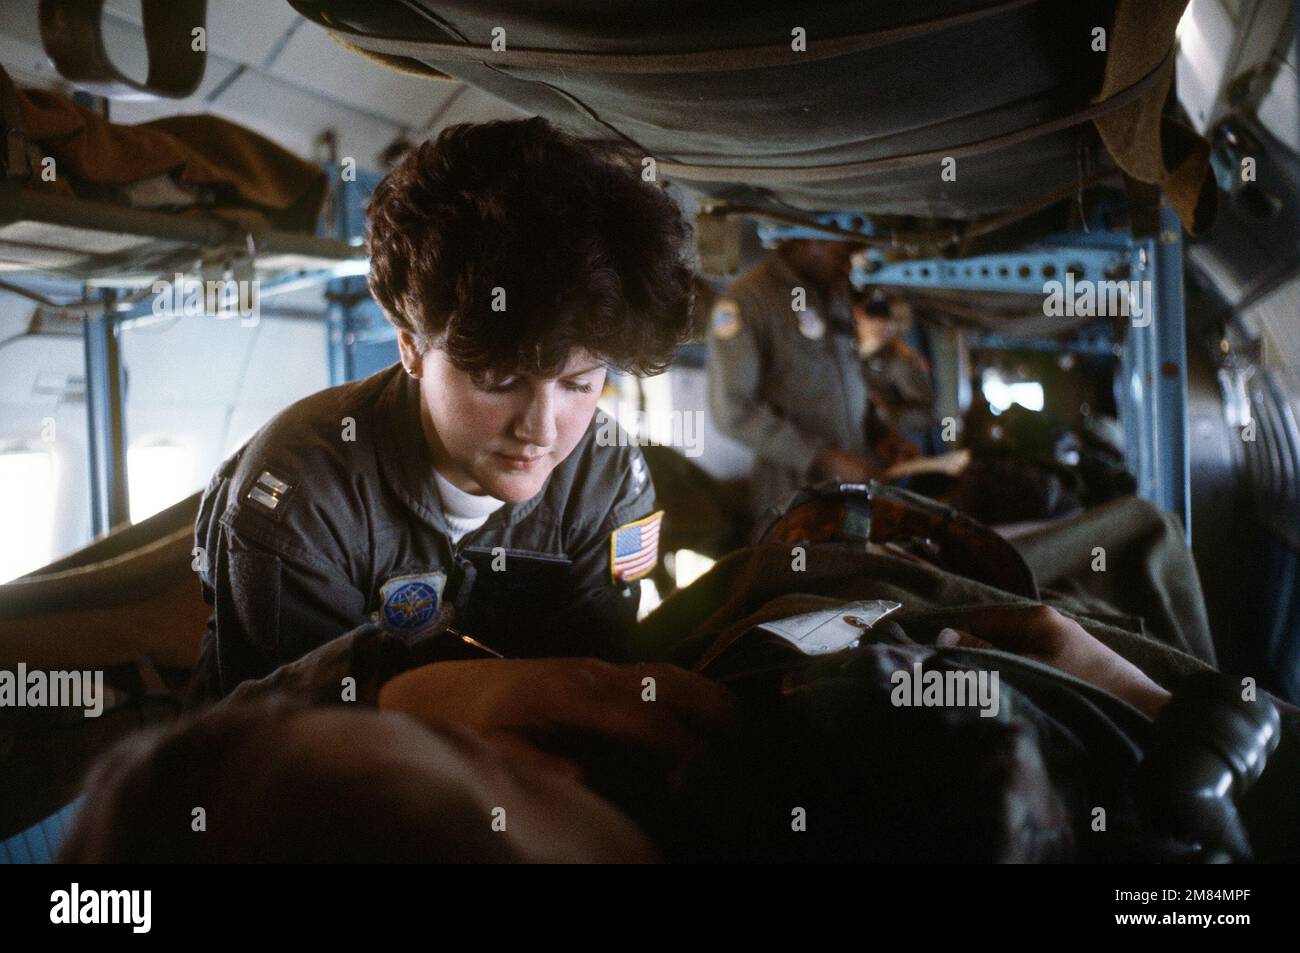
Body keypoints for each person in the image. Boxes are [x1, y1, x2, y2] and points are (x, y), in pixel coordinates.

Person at [188, 118, 695, 702]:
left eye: (579, 385)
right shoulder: (300, 494)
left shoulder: (605, 477)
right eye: (499, 380)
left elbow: (598, 680)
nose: (541, 431)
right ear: (410, 344)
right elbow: (284, 750)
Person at [707, 238, 911, 520]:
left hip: (855, 479)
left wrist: (880, 434)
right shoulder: (748, 301)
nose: (848, 264)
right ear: (807, 240)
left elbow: (849, 381)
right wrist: (821, 457)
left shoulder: (836, 293)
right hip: (794, 492)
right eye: (842, 253)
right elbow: (732, 411)